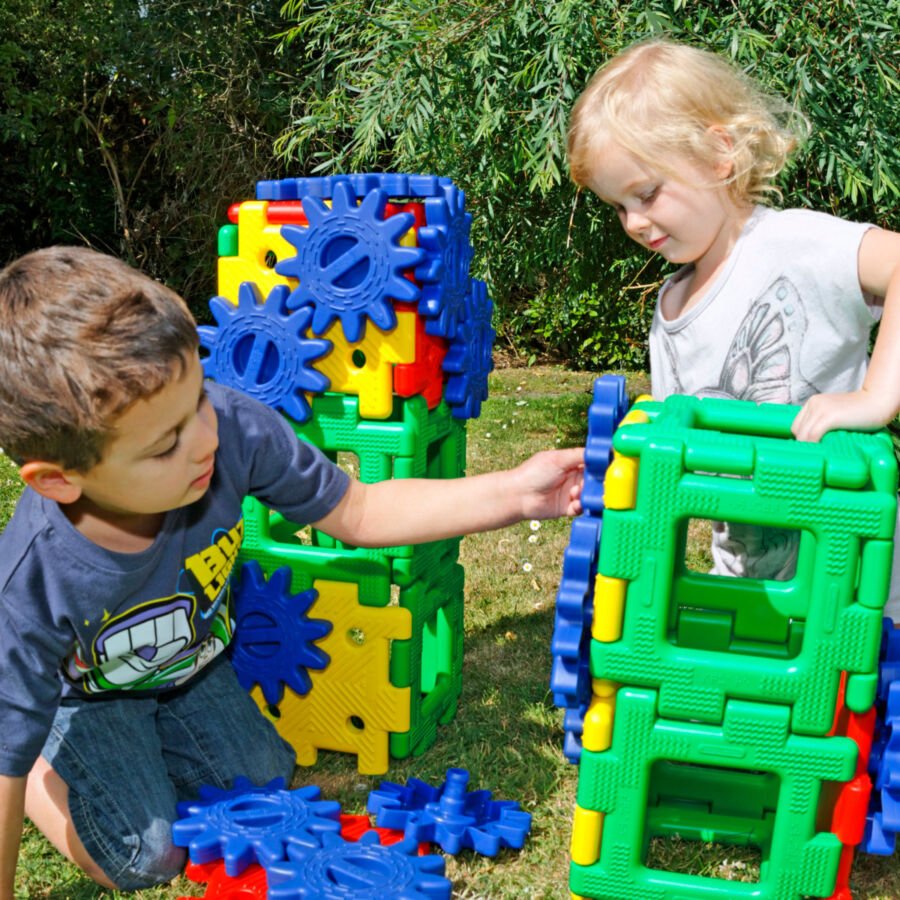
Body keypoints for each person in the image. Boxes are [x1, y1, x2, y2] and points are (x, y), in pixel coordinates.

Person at [0, 246, 585, 896]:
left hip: (191, 670)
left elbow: (360, 511)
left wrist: (519, 494)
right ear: (60, 481)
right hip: (87, 696)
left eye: (197, 398)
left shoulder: (234, 427)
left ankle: (149, 744)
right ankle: (53, 772)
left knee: (266, 786)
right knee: (147, 857)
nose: (203, 438)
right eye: (165, 443)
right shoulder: (36, 580)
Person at [567, 38, 900, 588]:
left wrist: (876, 398)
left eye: (646, 194)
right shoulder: (671, 303)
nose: (633, 222)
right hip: (748, 583)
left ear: (718, 152)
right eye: (619, 206)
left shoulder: (792, 244)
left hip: (854, 579)